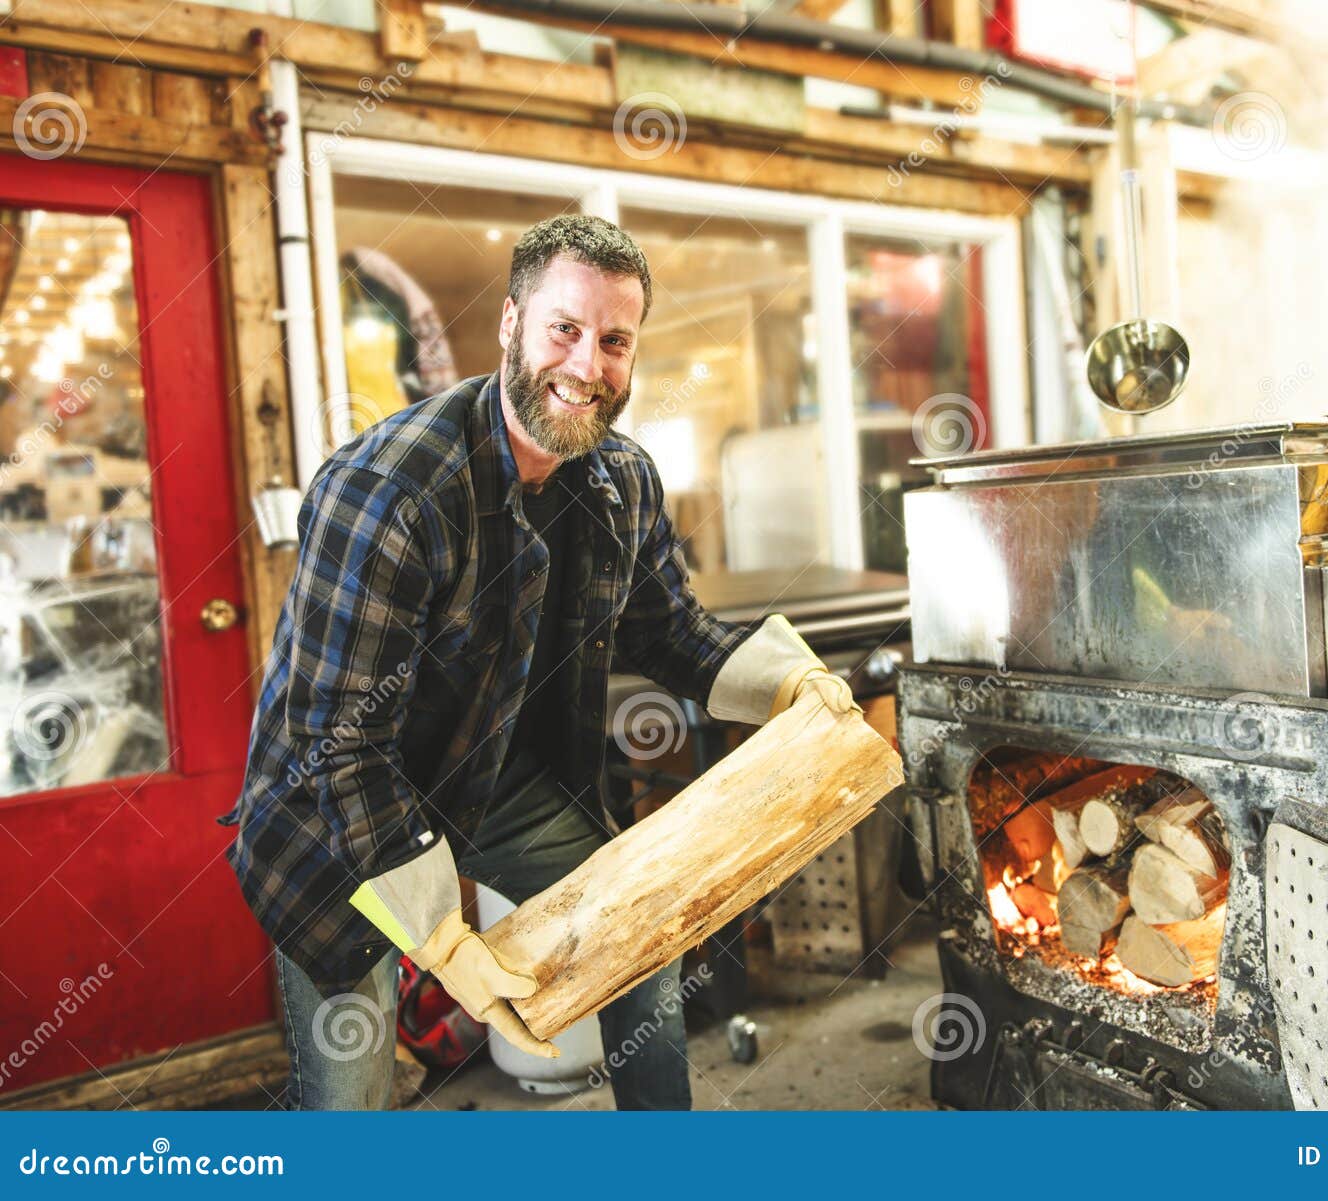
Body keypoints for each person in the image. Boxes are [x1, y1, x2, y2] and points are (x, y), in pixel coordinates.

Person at [222, 215, 854, 1110]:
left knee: (636, 929)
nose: (587, 366)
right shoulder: (393, 490)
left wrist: (789, 679)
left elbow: (668, 631)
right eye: (565, 328)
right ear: (511, 323)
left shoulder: (622, 479)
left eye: (615, 341)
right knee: (350, 1096)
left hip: (492, 780)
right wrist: (444, 938)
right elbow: (338, 742)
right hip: (336, 812)